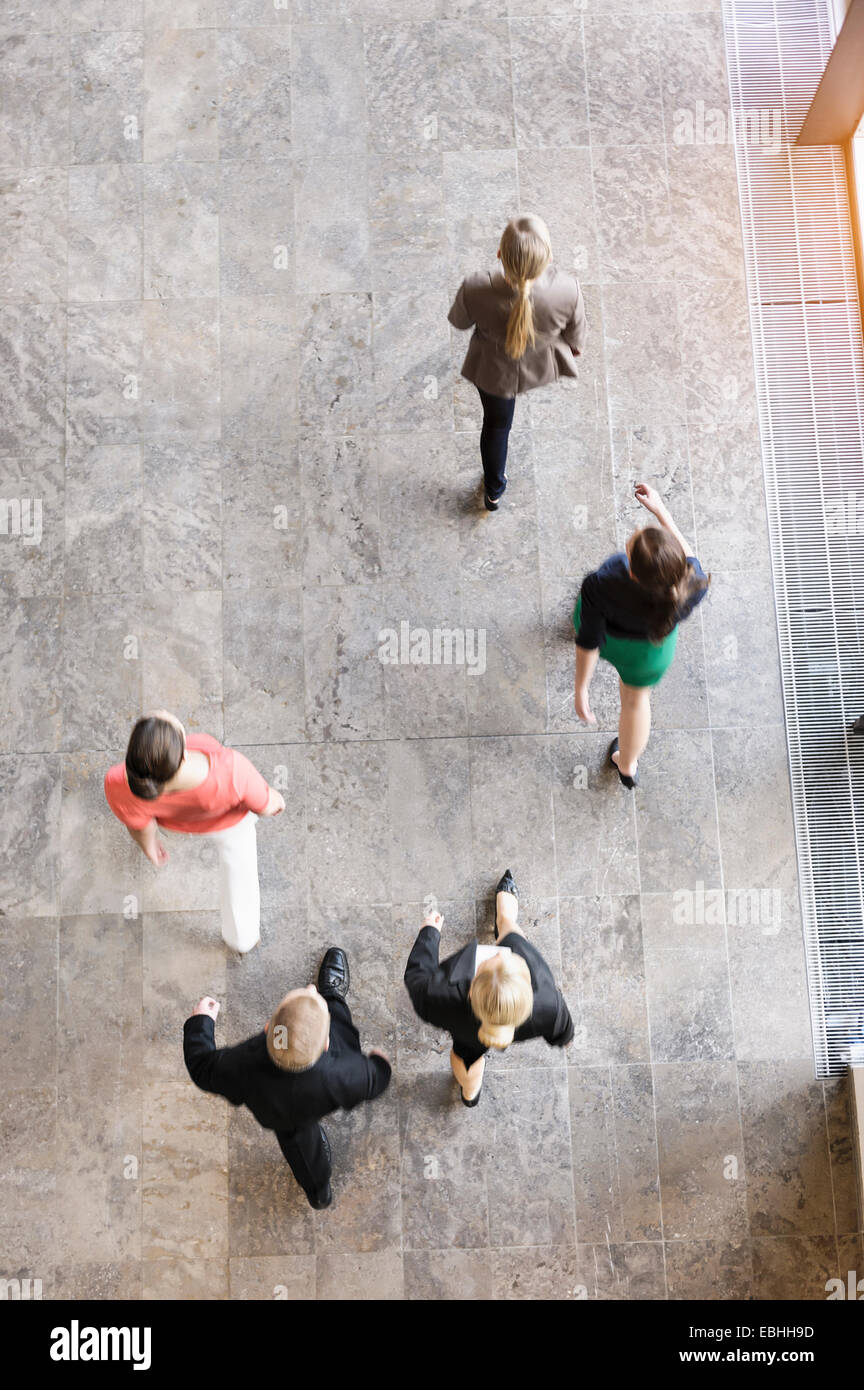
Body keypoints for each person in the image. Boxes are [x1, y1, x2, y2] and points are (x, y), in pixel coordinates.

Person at [183, 949, 391, 1210]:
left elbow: (201, 1067)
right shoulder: (345, 1074)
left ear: (269, 1027)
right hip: (319, 1086)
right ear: (326, 1044)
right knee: (341, 1022)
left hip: (281, 1115)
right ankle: (333, 997)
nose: (310, 988)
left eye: (310, 993)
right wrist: (380, 1063)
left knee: (302, 1153)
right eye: (310, 992)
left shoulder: (241, 1064)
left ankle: (318, 1191)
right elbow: (375, 1080)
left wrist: (201, 1021)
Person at [104, 710, 285, 953]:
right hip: (229, 826)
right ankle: (241, 939)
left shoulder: (118, 781)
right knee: (240, 875)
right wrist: (277, 801)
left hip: (177, 823)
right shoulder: (231, 770)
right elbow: (266, 805)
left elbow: (139, 824)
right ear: (183, 757)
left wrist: (149, 846)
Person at [573, 483, 711, 788]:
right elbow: (688, 558)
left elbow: (589, 640)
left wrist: (582, 688)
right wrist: (662, 512)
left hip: (612, 642)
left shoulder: (602, 582)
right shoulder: (691, 587)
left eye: (630, 545)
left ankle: (627, 762)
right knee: (635, 703)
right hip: (650, 653)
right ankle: (627, 765)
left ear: (633, 572)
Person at [447, 214, 587, 511]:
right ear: (547, 258)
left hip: (493, 373)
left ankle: (494, 490)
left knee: (497, 425)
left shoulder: (475, 287)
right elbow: (575, 338)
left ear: (500, 254)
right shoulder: (568, 289)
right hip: (538, 364)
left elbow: (459, 322)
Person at [403, 871, 573, 1106]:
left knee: (466, 1059)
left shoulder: (440, 996)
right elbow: (562, 1029)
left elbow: (417, 978)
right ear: (527, 986)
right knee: (511, 934)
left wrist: (429, 933)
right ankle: (505, 918)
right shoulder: (547, 1006)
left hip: (467, 1033)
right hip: (513, 1029)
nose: (495, 952)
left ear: (471, 990)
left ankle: (470, 1093)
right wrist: (564, 1039)